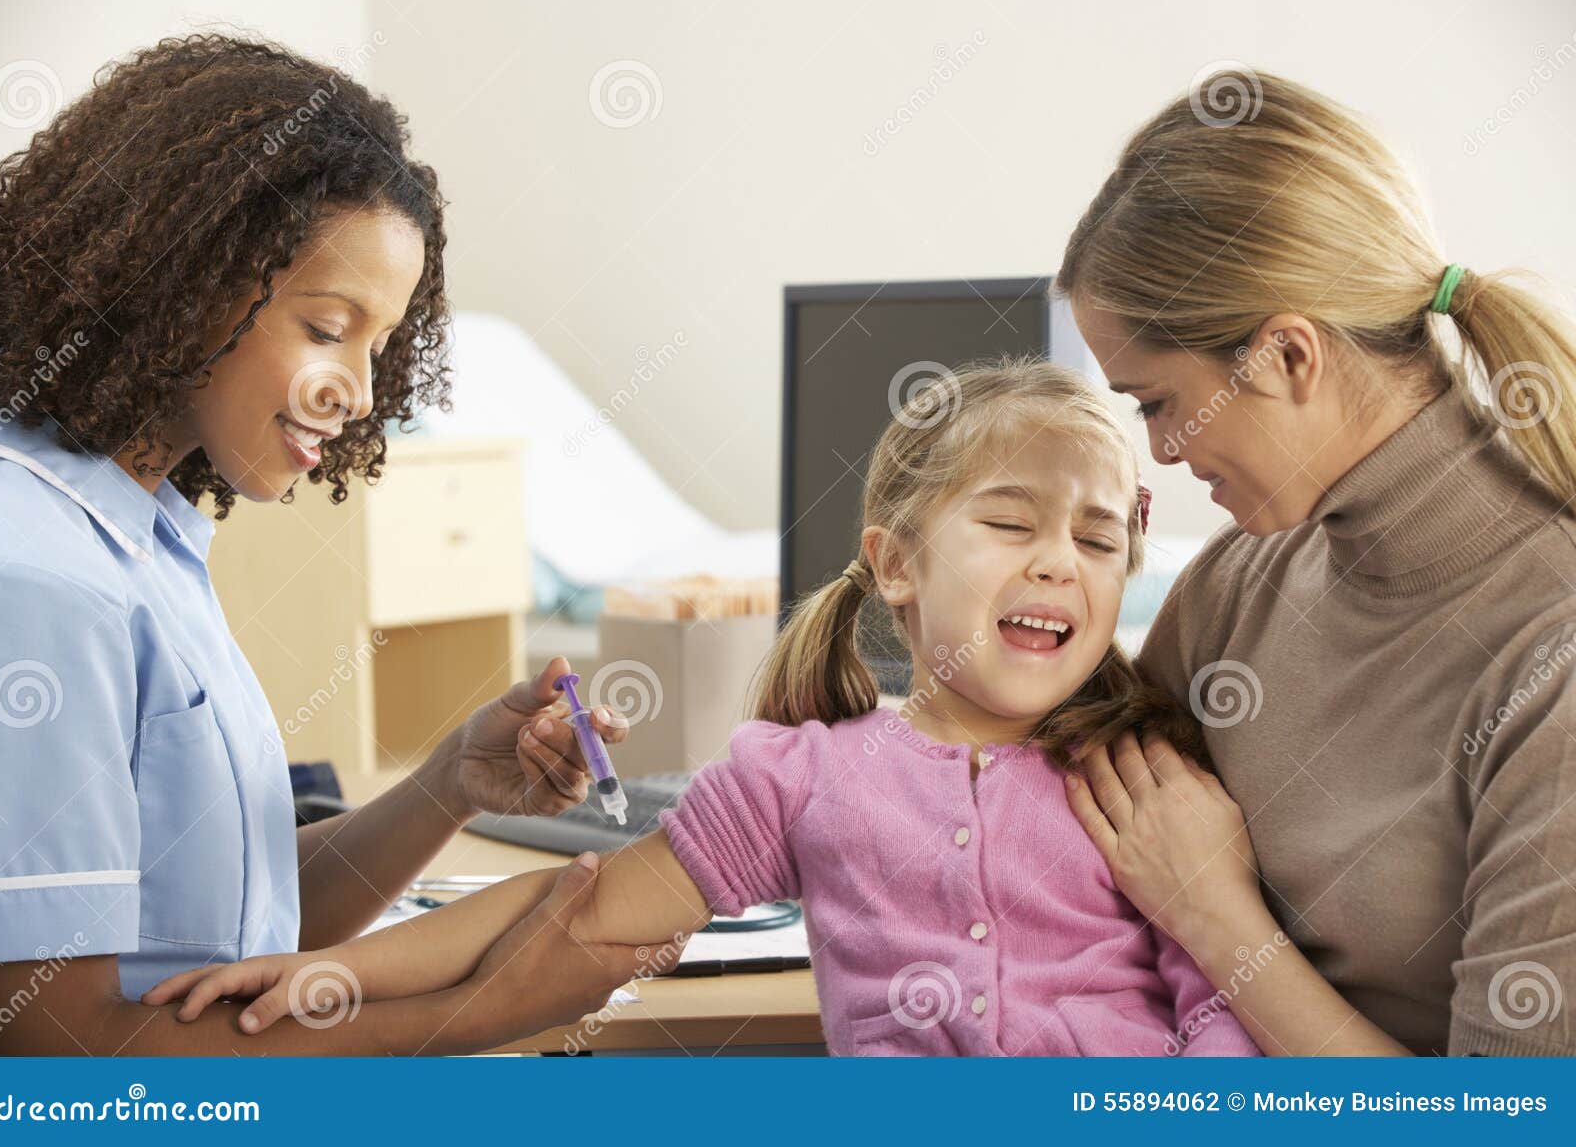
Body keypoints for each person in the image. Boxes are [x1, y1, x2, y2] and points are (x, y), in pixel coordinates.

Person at [142, 359, 1261, 1057]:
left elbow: (1211, 997)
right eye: (1013, 526)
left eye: (1100, 539)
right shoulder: (806, 775)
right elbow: (571, 898)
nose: (1061, 564)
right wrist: (322, 972)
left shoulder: (1139, 777)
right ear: (899, 564)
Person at [0, 34, 676, 1055]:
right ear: (184, 280)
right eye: (326, 326)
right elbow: (57, 1055)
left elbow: (240, 932)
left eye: (379, 343)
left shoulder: (143, 535)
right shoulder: (34, 574)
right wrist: (483, 1009)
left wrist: (449, 784)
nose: (357, 390)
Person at [1057, 69, 1576, 1055]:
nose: (1159, 454)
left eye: (1155, 402)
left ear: (1287, 357)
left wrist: (1214, 913)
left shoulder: (1551, 661)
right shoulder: (1241, 583)